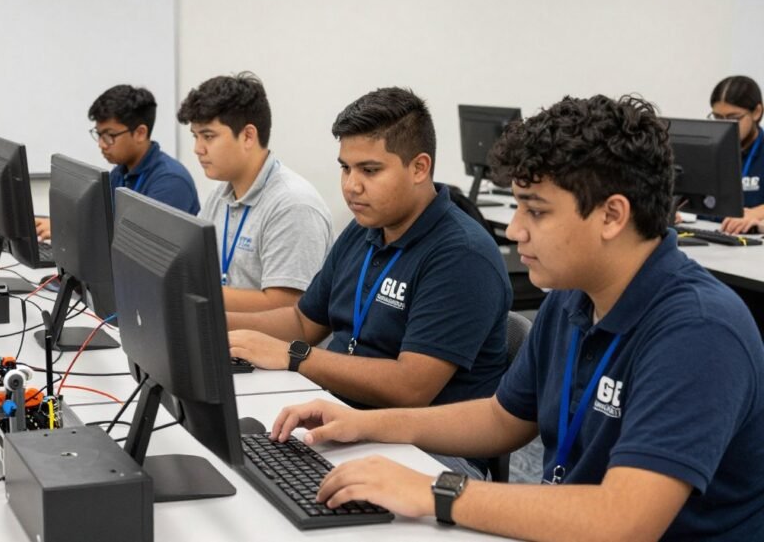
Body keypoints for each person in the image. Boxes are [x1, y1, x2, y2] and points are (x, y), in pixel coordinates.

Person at [270, 94, 764, 541]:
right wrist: (365, 424)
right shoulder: (571, 298)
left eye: (537, 211)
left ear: (613, 216)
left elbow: (625, 520)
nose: (515, 229)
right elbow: (501, 417)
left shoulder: (699, 331)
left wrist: (437, 491)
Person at [228, 88, 510, 426]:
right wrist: (210, 321)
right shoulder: (365, 227)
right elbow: (303, 323)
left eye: (370, 170)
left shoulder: (462, 254)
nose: (351, 186)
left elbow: (411, 387)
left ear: (419, 168)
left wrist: (293, 355)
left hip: (422, 445)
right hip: (337, 412)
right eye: (346, 168)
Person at [177, 72, 332, 312]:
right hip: (225, 337)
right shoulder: (220, 194)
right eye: (195, 137)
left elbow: (286, 309)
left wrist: (192, 291)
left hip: (270, 347)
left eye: (208, 136)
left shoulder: (294, 205)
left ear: (248, 136)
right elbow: (193, 266)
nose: (198, 149)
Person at [35, 84, 199, 240]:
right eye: (99, 134)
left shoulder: (170, 182)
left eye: (109, 135)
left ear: (140, 133)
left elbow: (140, 247)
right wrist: (63, 225)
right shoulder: (120, 172)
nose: (101, 144)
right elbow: (99, 223)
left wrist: (70, 231)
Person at [709, 75, 764, 234]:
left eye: (734, 118)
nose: (725, 126)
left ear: (757, 112)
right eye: (718, 118)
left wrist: (755, 213)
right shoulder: (710, 150)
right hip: (713, 235)